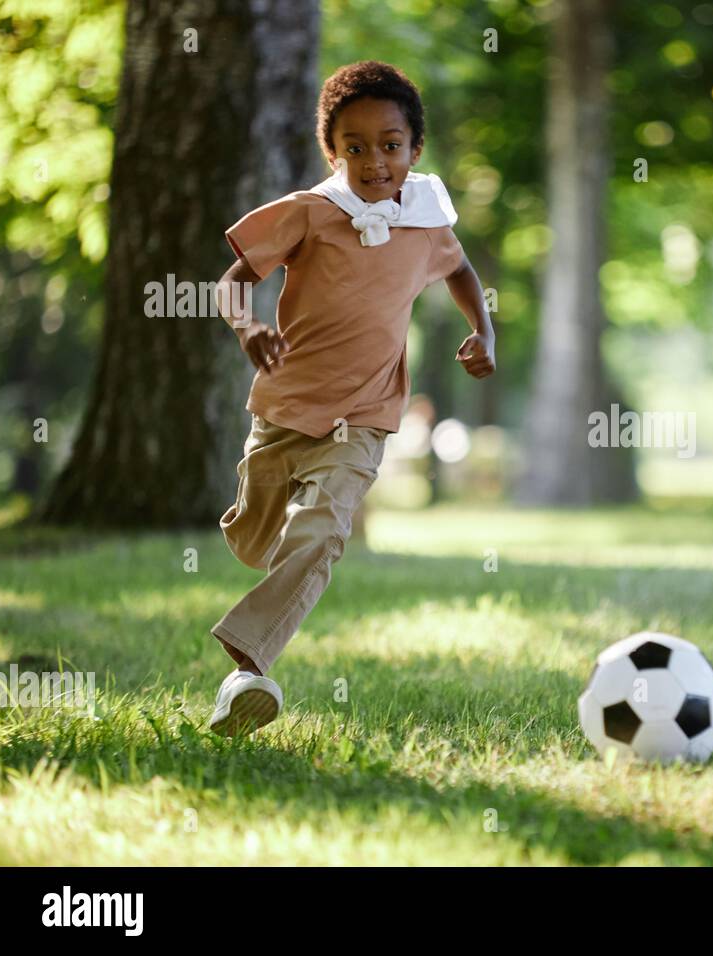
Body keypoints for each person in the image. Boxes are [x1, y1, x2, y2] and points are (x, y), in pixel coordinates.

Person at [207, 61, 495, 736]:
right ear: (333, 151)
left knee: (323, 530)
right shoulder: (311, 212)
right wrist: (248, 324)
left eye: (391, 145)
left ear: (414, 150)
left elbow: (461, 269)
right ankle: (254, 527)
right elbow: (232, 278)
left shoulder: (427, 221)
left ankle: (249, 666)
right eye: (356, 146)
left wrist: (482, 330)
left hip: (364, 416)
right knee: (255, 535)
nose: (375, 161)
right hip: (283, 408)